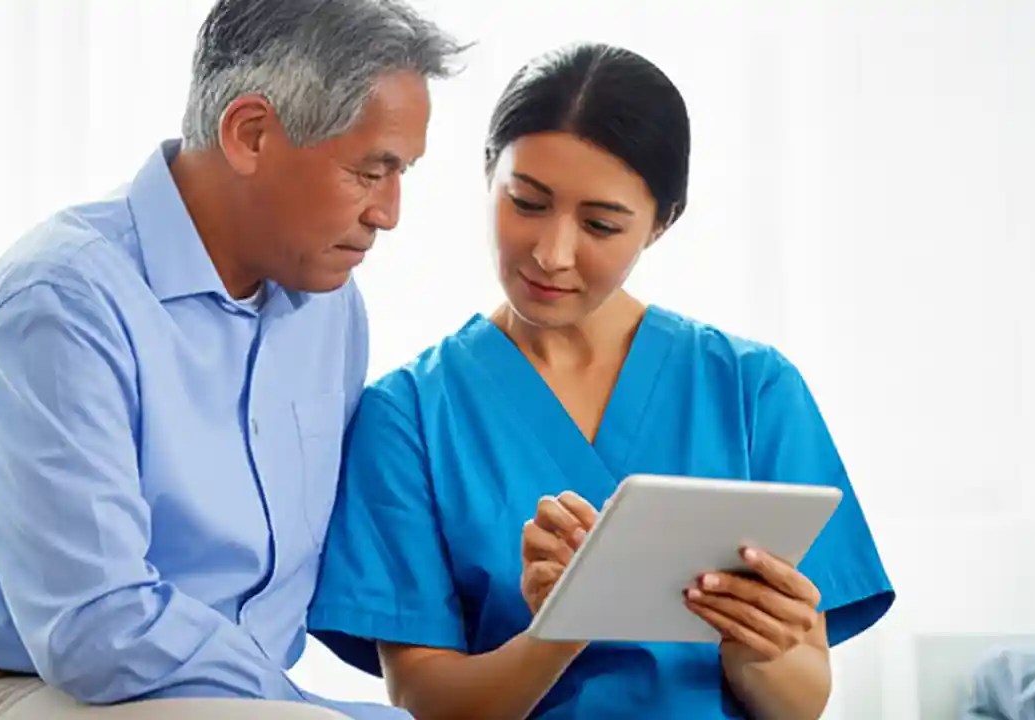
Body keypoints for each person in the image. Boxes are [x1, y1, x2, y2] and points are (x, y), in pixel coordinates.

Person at [0, 1, 462, 718]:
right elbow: (97, 629)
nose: (389, 212)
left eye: (403, 174)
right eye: (371, 172)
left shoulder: (330, 309)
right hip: (1, 688)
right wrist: (318, 711)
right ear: (250, 134)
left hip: (234, 706)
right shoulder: (62, 299)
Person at [307, 42, 896, 719]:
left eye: (601, 224)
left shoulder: (751, 391)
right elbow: (424, 698)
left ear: (662, 223)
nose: (551, 254)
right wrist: (559, 628)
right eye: (526, 203)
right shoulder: (409, 413)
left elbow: (801, 700)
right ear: (488, 172)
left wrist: (759, 649)